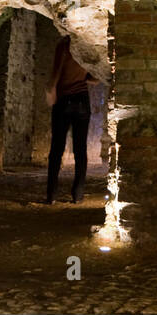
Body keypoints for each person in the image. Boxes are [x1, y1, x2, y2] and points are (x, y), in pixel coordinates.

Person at [44, 35, 98, 204]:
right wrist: (82, 77)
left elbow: (57, 72)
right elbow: (96, 78)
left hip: (64, 100)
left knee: (56, 149)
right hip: (82, 100)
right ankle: (78, 194)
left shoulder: (64, 46)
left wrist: (51, 90)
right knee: (80, 150)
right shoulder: (86, 47)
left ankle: (51, 195)